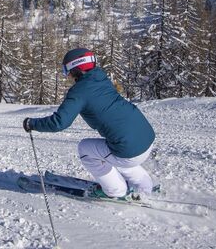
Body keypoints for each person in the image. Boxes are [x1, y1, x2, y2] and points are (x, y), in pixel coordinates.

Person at [23, 47, 156, 199]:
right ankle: (144, 185)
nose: (68, 76)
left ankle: (115, 191)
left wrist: (32, 123)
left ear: (76, 68)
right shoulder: (101, 78)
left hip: (128, 151)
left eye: (68, 70)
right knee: (115, 149)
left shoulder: (79, 91)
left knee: (85, 148)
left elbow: (59, 122)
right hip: (146, 138)